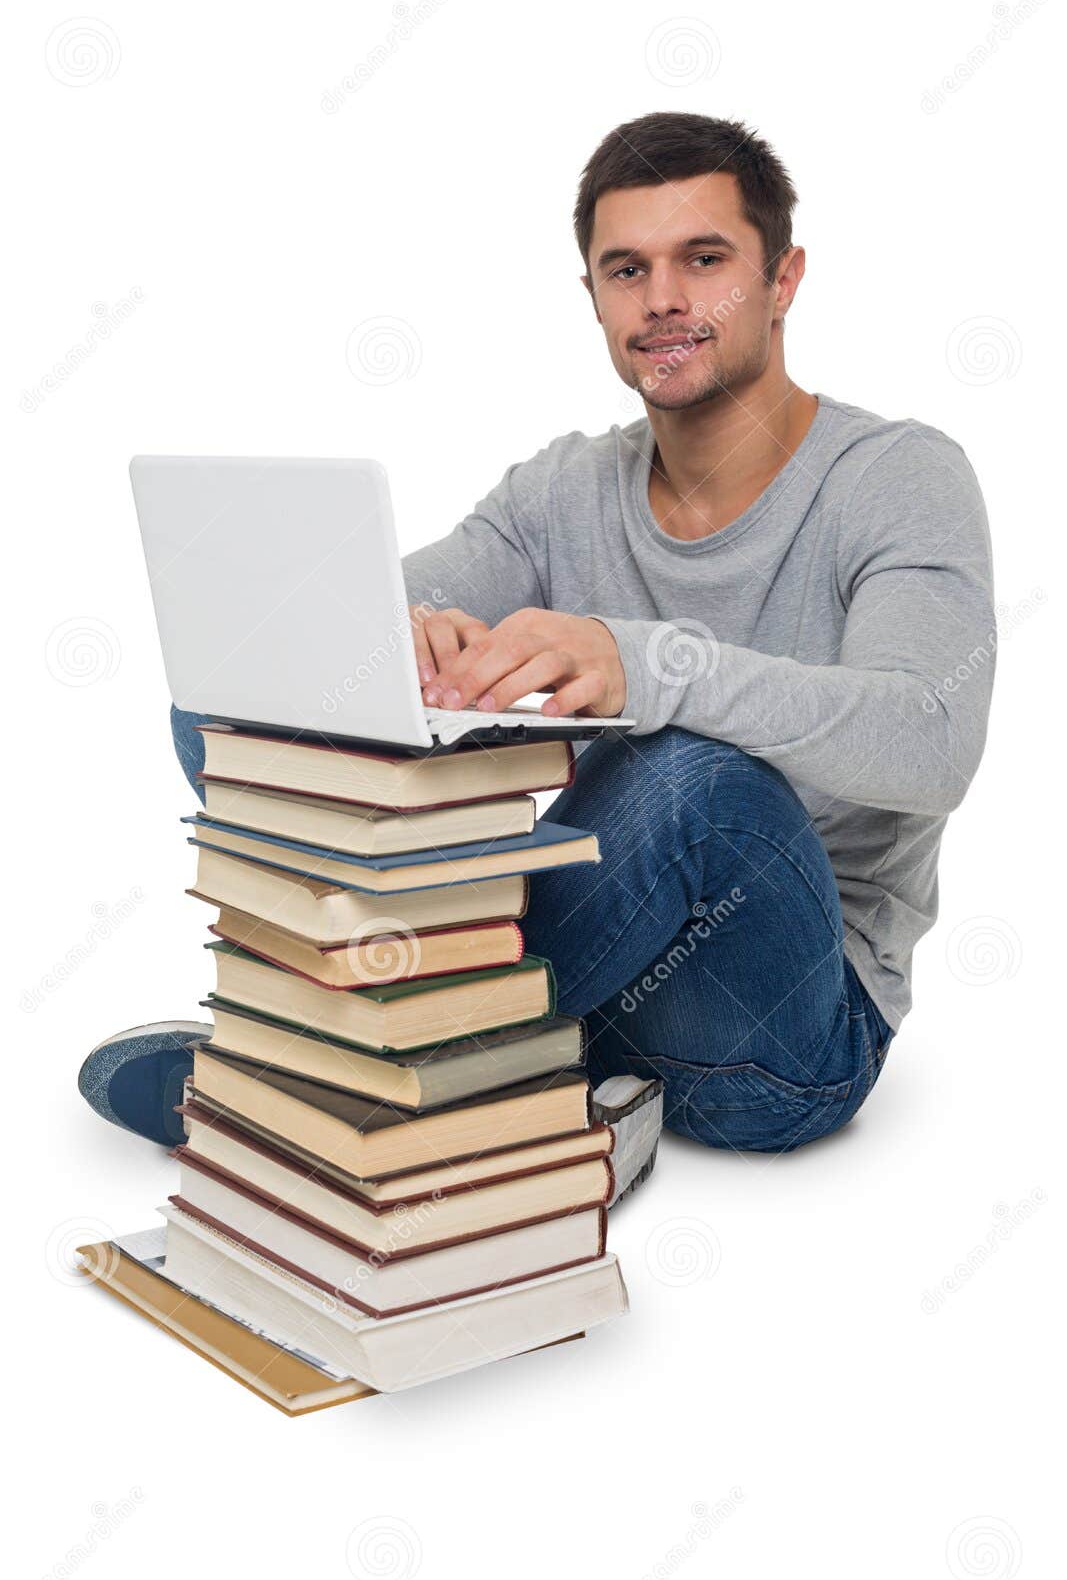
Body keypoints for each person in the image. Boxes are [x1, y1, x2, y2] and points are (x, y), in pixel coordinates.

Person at [80, 111, 994, 1157]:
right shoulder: (564, 488)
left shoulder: (898, 476)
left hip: (777, 1034)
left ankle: (348, 1067)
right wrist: (393, 637)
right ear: (594, 297)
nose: (661, 298)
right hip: (582, 985)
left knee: (692, 776)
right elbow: (342, 619)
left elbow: (930, 743)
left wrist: (644, 664)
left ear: (781, 280)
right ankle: (450, 1059)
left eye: (703, 260)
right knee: (246, 684)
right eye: (625, 270)